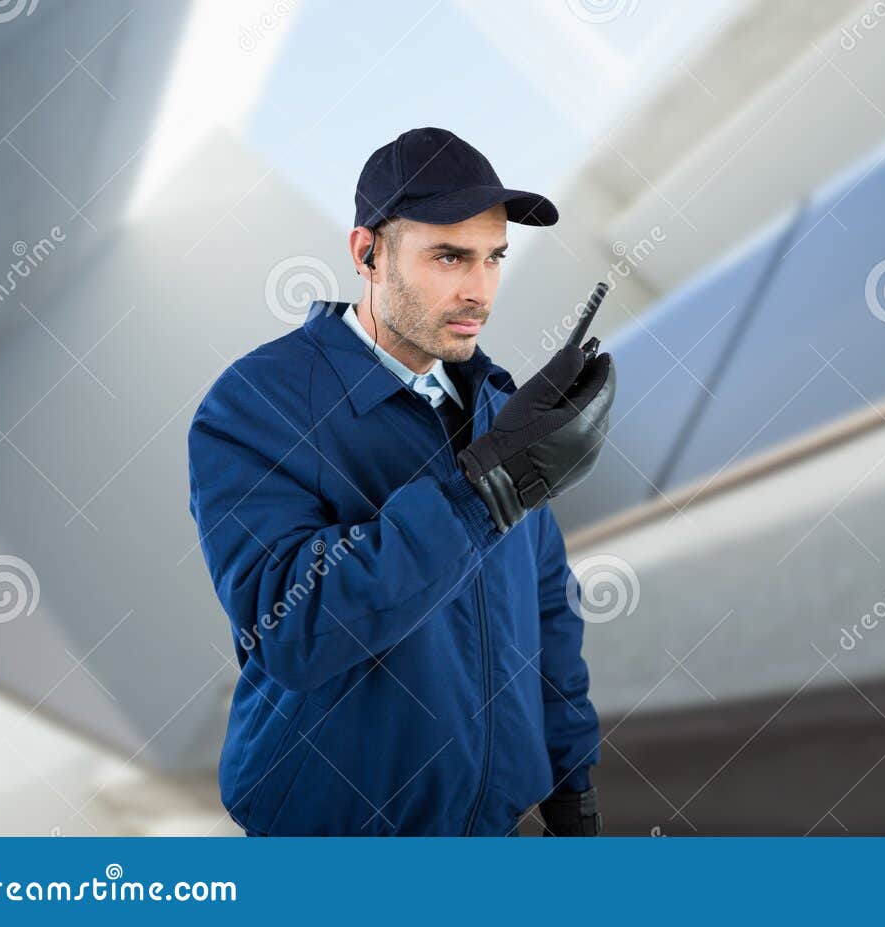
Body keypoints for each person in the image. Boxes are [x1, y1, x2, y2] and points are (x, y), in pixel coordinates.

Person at [186, 127, 615, 836]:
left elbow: (546, 615)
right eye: (449, 256)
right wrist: (485, 490)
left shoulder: (499, 412)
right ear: (368, 253)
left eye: (493, 258)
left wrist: (573, 786)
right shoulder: (257, 404)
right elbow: (293, 630)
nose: (478, 289)